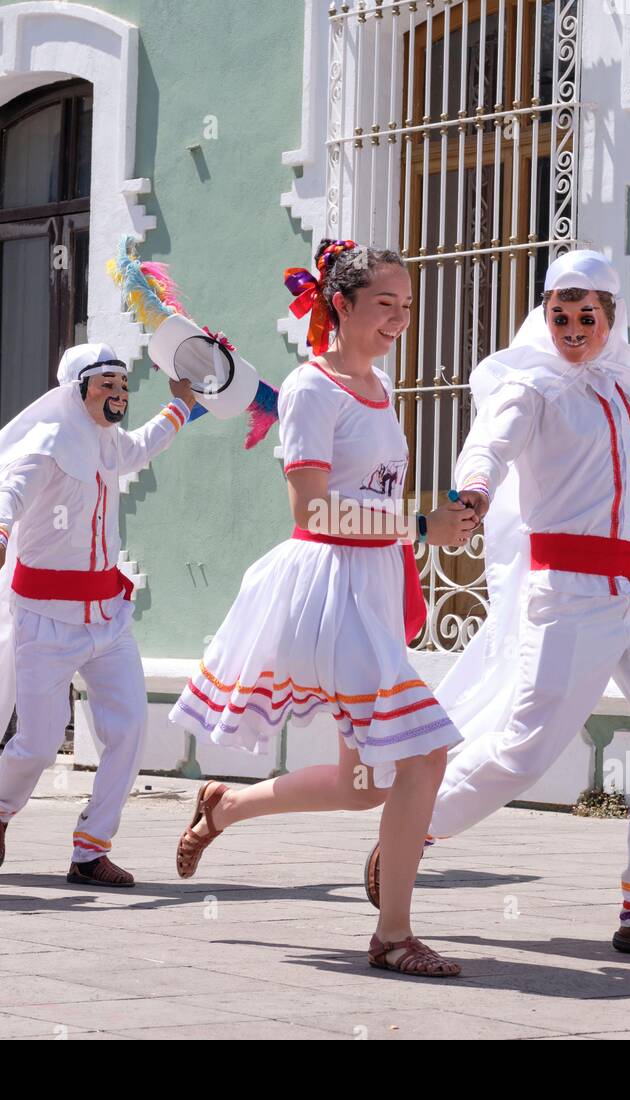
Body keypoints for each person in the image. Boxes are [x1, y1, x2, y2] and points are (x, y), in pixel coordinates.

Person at [362, 250, 630, 962]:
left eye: (586, 315)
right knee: (527, 747)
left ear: (610, 315)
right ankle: (409, 834)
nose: (573, 328)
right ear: (546, 316)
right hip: (569, 594)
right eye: (560, 314)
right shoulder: (531, 383)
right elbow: (488, 447)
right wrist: (472, 492)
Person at [168, 240, 478, 977]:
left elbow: (367, 494)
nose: (400, 318)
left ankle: (222, 807)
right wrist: (420, 524)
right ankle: (393, 934)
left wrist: (430, 524)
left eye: (407, 306)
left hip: (368, 588)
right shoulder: (312, 390)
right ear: (339, 305)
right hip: (329, 591)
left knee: (358, 786)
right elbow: (311, 510)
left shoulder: (379, 386)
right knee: (426, 754)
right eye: (384, 304)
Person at [0, 343, 195, 887]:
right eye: (106, 384)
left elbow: (141, 448)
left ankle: (90, 850)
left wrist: (182, 405)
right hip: (45, 618)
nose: (118, 393)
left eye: (122, 384)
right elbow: (7, 496)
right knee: (41, 743)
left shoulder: (108, 442)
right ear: (77, 390)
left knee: (130, 729)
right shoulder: (46, 445)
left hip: (108, 617)